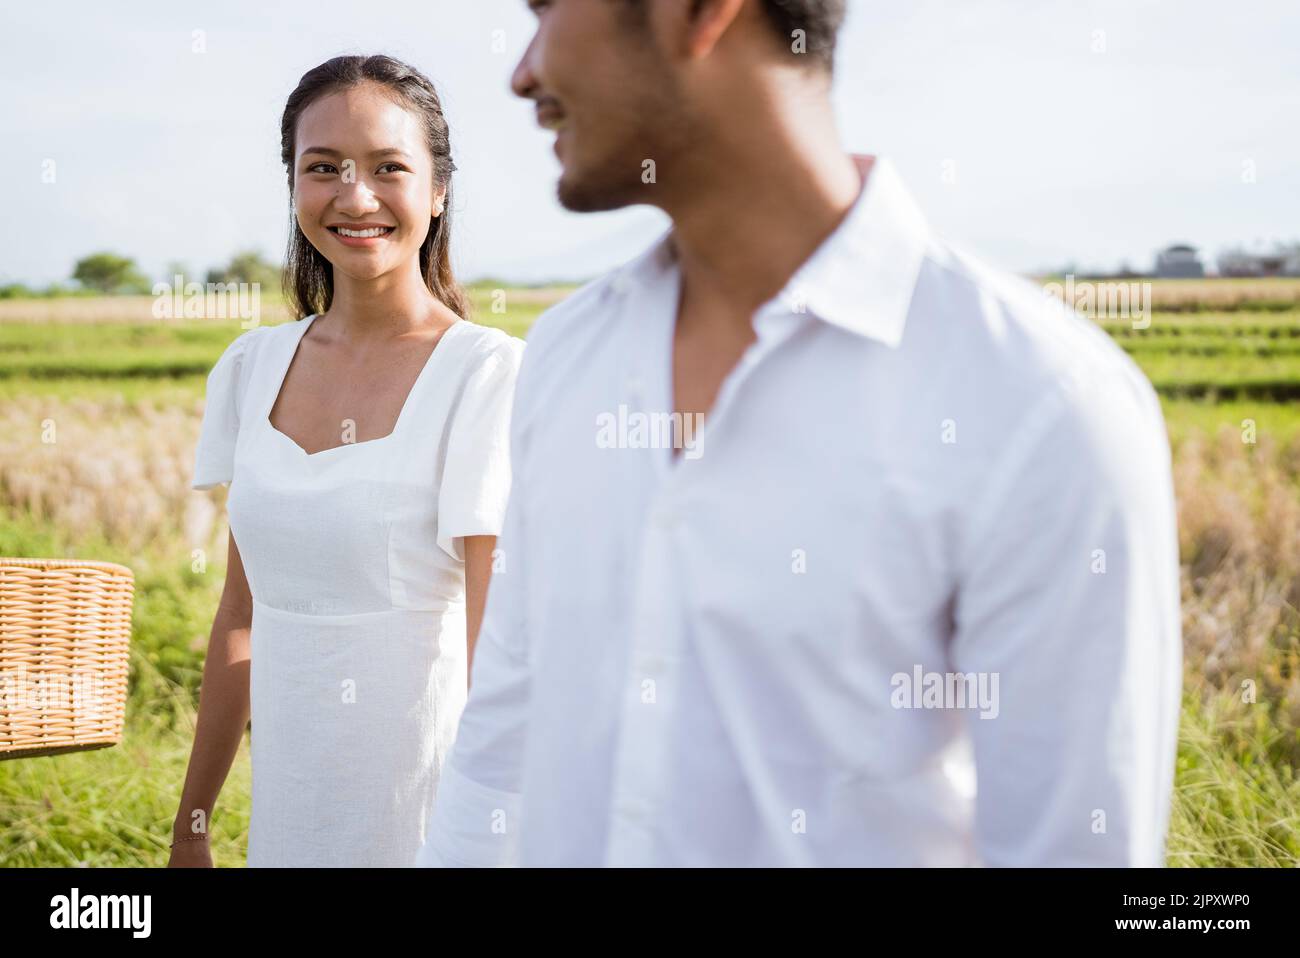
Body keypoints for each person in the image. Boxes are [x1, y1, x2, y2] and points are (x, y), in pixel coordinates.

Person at [416, 0, 1181, 867]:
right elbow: (505, 732)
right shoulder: (563, 357)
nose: (522, 72)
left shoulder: (1043, 407)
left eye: (548, 8)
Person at [170, 54, 524, 867]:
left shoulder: (485, 374)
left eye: (388, 168)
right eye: (322, 167)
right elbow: (240, 618)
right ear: (294, 187)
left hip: (430, 821)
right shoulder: (252, 367)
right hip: (291, 820)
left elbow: (495, 641)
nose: (354, 196)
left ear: (438, 191)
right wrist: (192, 823)